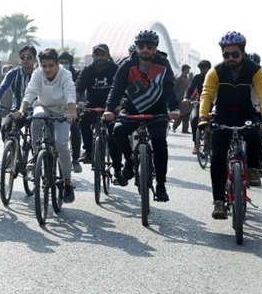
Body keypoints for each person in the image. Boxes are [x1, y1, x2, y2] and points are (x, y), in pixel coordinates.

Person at [103, 30, 181, 202]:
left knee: (159, 141)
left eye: (149, 46)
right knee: (118, 131)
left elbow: (169, 87)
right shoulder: (127, 64)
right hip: (132, 110)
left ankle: (160, 184)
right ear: (137, 48)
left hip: (157, 112)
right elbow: (117, 87)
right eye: (141, 46)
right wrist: (109, 109)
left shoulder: (163, 64)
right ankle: (130, 160)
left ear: (155, 48)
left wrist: (174, 108)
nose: (145, 49)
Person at [197, 32, 262, 219]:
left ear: (243, 53)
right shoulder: (215, 71)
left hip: (246, 112)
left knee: (255, 135)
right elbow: (206, 94)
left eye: (234, 54)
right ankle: (219, 202)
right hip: (223, 114)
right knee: (218, 157)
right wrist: (203, 117)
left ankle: (253, 168)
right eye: (226, 55)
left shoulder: (255, 70)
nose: (230, 58)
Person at [13, 48, 78, 203]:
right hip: (44, 107)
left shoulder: (65, 75)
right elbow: (30, 92)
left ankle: (67, 182)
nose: (47, 69)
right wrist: (21, 110)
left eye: (51, 66)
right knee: (37, 117)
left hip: (62, 111)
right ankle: (36, 156)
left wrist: (72, 112)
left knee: (61, 144)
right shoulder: (37, 74)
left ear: (57, 64)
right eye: (44, 66)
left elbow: (70, 93)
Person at [75, 43, 120, 176]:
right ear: (93, 56)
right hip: (92, 106)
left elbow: (122, 87)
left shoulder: (115, 69)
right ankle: (89, 151)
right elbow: (78, 88)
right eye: (97, 55)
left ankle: (117, 168)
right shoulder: (87, 70)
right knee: (83, 121)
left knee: (114, 134)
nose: (100, 57)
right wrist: (74, 103)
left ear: (108, 55)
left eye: (102, 54)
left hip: (111, 107)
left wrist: (120, 104)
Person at [0, 46, 38, 133]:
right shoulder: (12, 73)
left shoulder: (39, 74)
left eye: (29, 57)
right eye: (23, 57)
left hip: (36, 111)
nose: (25, 59)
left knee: (36, 134)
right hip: (16, 111)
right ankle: (13, 141)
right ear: (20, 59)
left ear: (35, 60)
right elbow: (1, 88)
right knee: (5, 128)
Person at [58, 51, 84, 173]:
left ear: (71, 63)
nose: (63, 65)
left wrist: (80, 103)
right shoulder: (53, 73)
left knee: (75, 128)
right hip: (55, 108)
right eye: (61, 62)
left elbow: (81, 90)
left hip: (72, 108)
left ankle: (75, 159)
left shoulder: (77, 74)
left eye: (66, 62)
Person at [183, 60, 212, 154]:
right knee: (194, 119)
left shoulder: (215, 76)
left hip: (214, 104)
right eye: (200, 69)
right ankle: (196, 144)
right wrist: (186, 98)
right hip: (200, 103)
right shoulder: (197, 77)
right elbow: (190, 89)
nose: (202, 71)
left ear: (209, 68)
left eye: (204, 68)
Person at [172, 64, 192, 133]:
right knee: (180, 115)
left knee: (187, 114)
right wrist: (175, 98)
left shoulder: (187, 78)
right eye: (188, 69)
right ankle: (175, 126)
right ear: (184, 69)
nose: (189, 70)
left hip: (186, 99)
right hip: (180, 100)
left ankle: (185, 129)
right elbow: (174, 88)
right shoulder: (179, 78)